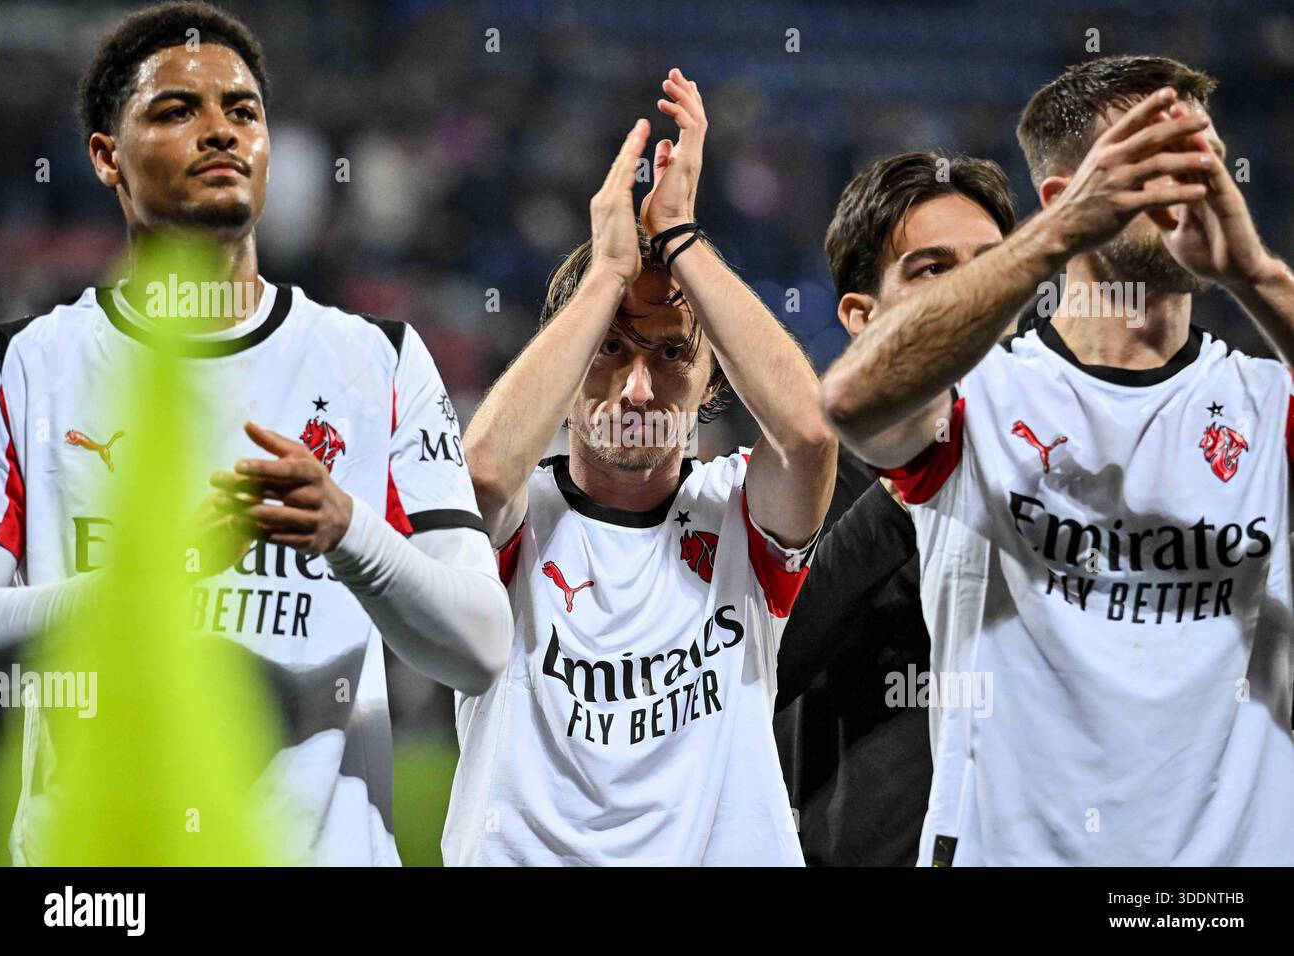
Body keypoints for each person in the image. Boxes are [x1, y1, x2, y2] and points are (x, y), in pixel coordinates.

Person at [0, 0, 511, 866]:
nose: (220, 132)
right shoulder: (24, 368)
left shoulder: (376, 360)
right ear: (105, 157)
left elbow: (482, 647)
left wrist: (348, 533)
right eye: (175, 110)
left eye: (242, 110)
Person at [821, 55, 1294, 865]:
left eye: (1202, 162)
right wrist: (1055, 239)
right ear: (1066, 196)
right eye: (1151, 163)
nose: (1186, 187)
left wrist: (1256, 275)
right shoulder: (979, 396)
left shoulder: (1267, 399)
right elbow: (848, 401)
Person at [443, 69, 837, 865]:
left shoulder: (738, 515)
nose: (636, 387)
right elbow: (478, 479)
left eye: (670, 355)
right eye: (609, 348)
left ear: (712, 379)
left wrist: (682, 238)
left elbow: (809, 435)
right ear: (570, 354)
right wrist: (606, 280)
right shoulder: (520, 519)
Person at [776, 151, 1016, 866]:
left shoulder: (1068, 475)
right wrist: (909, 483)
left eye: (995, 264)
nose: (972, 290)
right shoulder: (802, 481)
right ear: (861, 315)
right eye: (933, 269)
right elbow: (758, 664)